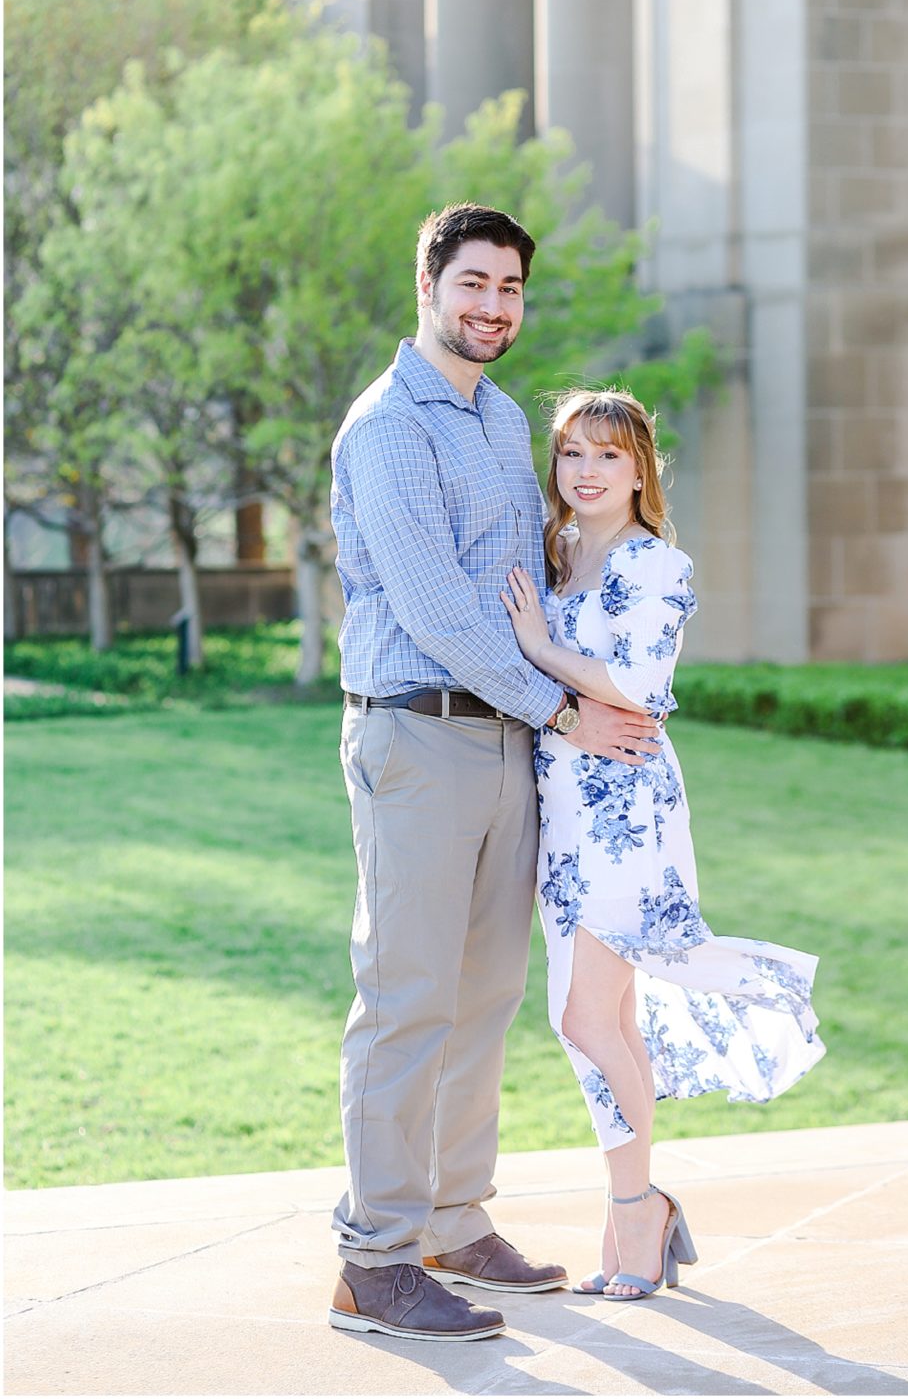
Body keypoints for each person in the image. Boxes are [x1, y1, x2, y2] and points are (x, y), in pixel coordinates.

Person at [326, 205, 664, 1343]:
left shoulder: (502, 414)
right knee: (408, 998)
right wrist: (567, 707)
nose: (492, 307)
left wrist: (614, 667)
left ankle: (452, 1220)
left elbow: (528, 592)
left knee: (485, 999)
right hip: (416, 733)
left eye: (510, 289)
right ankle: (373, 1260)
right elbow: (436, 609)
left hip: (511, 740)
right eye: (473, 283)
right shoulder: (387, 428)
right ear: (429, 284)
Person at [500, 388, 826, 1300]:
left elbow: (638, 686)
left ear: (640, 468)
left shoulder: (658, 566)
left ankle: (638, 1210)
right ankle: (633, 1206)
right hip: (560, 803)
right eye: (571, 454)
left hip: (626, 805)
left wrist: (537, 644)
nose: (588, 472)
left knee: (586, 1018)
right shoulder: (557, 553)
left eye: (608, 455)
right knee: (594, 1022)